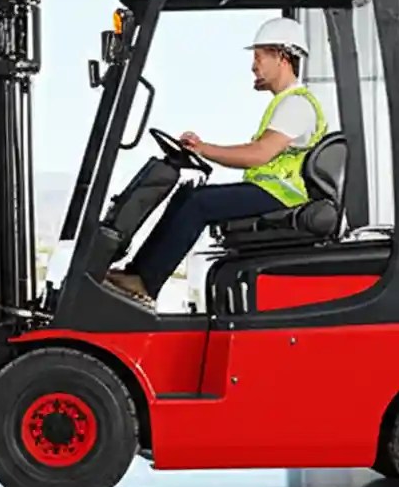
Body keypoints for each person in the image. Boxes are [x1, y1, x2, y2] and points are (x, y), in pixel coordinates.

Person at [107, 17, 327, 302]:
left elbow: (259, 154)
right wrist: (201, 149)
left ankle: (146, 282)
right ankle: (137, 274)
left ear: (282, 56)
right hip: (274, 193)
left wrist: (203, 149)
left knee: (200, 203)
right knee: (188, 197)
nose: (253, 66)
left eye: (259, 57)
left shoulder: (296, 104)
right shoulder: (287, 102)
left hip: (285, 197)